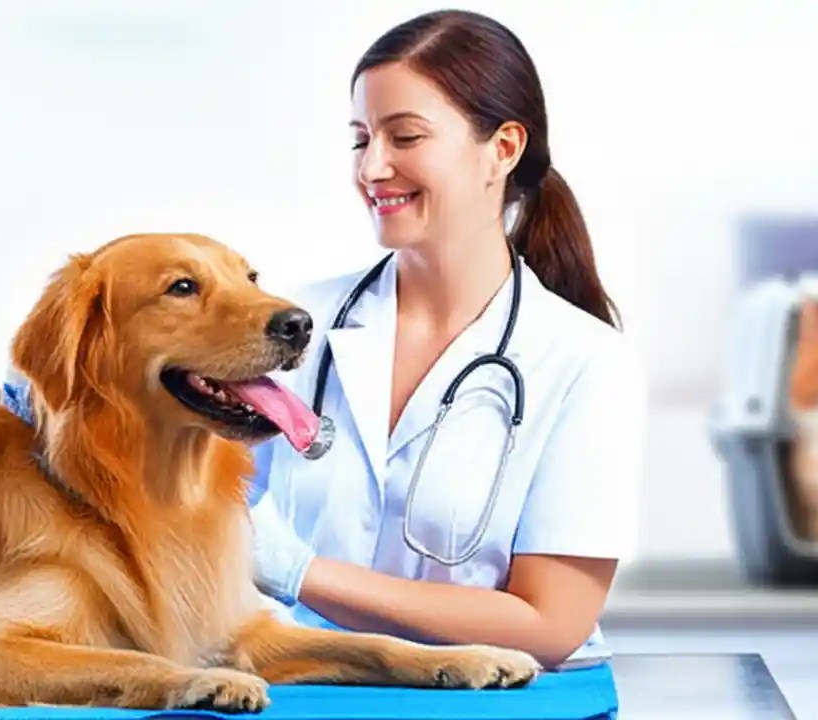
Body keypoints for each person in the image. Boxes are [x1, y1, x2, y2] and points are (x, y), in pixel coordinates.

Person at [248, 9, 646, 670]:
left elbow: (549, 624)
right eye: (360, 140)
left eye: (405, 136)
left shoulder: (583, 363)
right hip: (302, 687)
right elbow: (200, 514)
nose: (373, 168)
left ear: (504, 149)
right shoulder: (294, 325)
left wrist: (299, 572)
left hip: (494, 703)